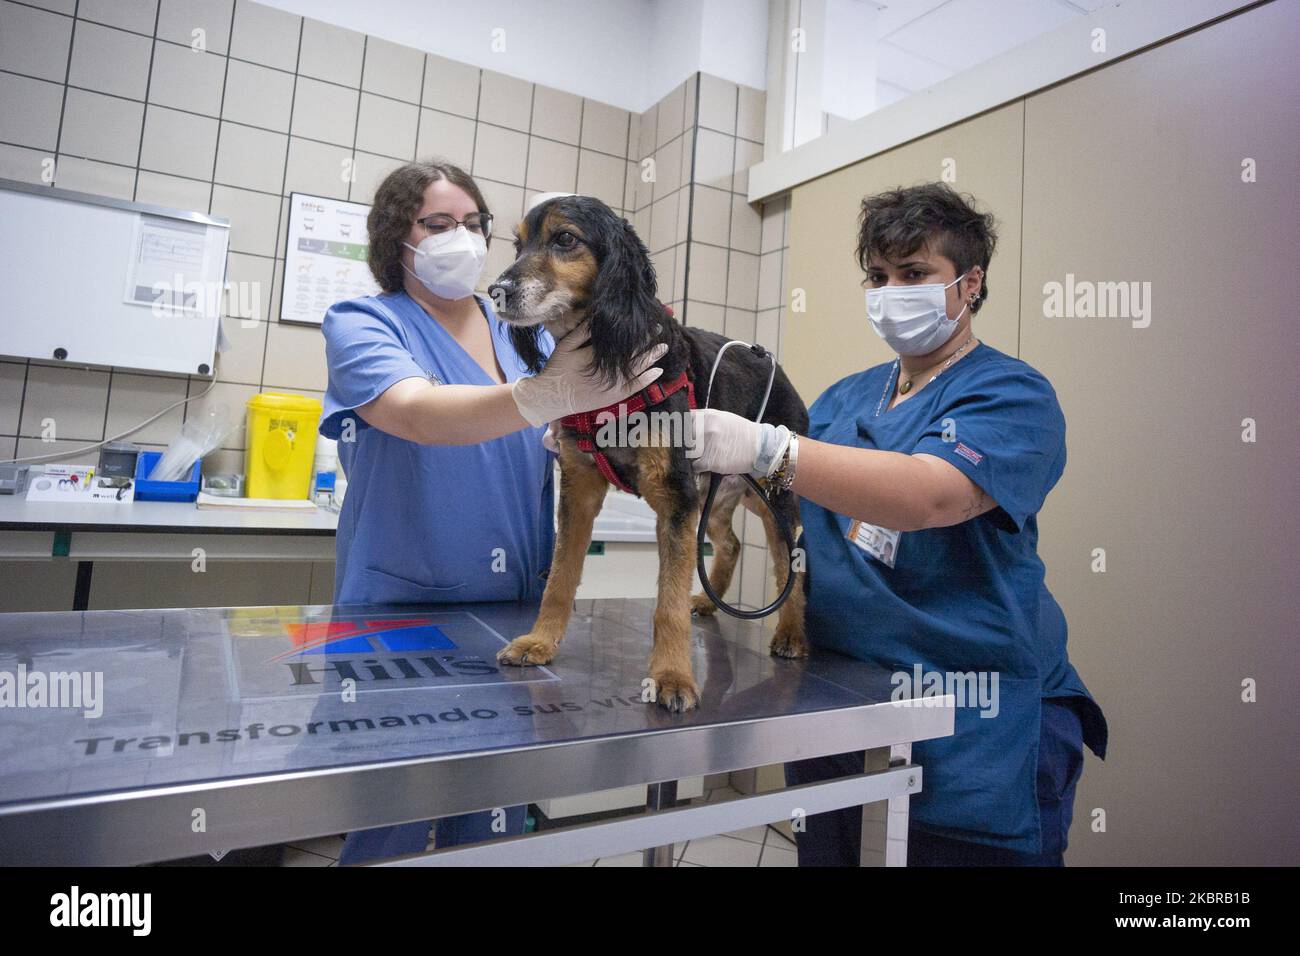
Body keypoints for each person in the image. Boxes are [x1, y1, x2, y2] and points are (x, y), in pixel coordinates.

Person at [687, 183, 1108, 865]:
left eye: (914, 275)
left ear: (969, 284)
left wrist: (766, 447)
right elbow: (791, 494)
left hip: (969, 724)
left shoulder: (1011, 394)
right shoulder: (844, 396)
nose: (891, 292)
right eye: (878, 278)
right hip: (838, 711)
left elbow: (929, 498)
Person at [318, 161, 665, 864]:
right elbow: (414, 412)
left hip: (514, 612)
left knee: (494, 819)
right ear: (398, 239)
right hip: (400, 612)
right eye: (437, 224)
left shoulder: (524, 330)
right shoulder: (363, 321)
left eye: (474, 225)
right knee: (393, 816)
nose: (463, 239)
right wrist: (542, 398)